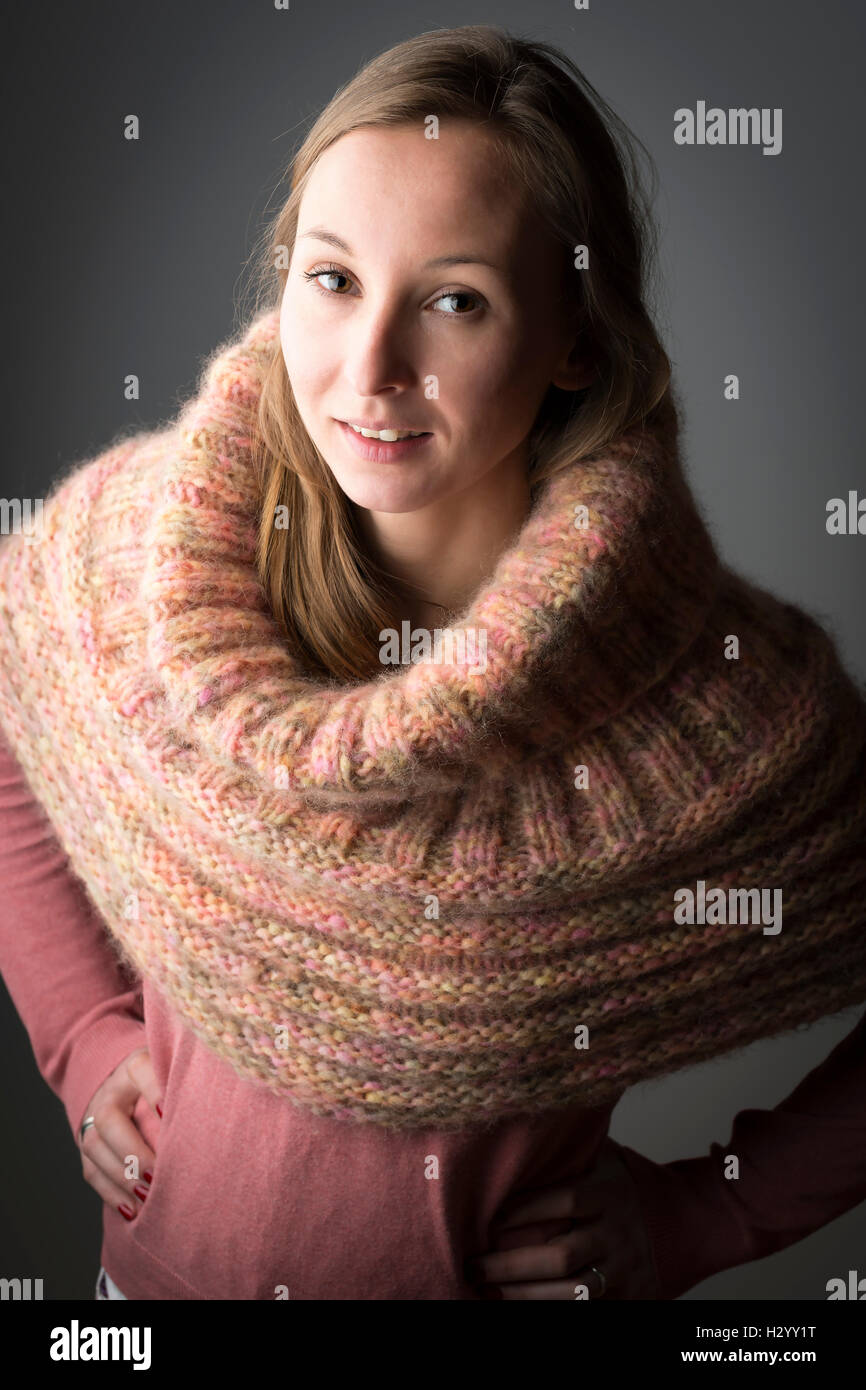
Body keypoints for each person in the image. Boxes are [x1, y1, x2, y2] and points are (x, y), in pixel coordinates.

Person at [1, 24, 864, 1302]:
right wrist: (84, 1038)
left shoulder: (724, 714)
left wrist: (705, 1217)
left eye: (454, 300)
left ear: (574, 338)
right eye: (333, 278)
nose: (369, 370)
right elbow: (14, 731)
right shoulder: (128, 563)